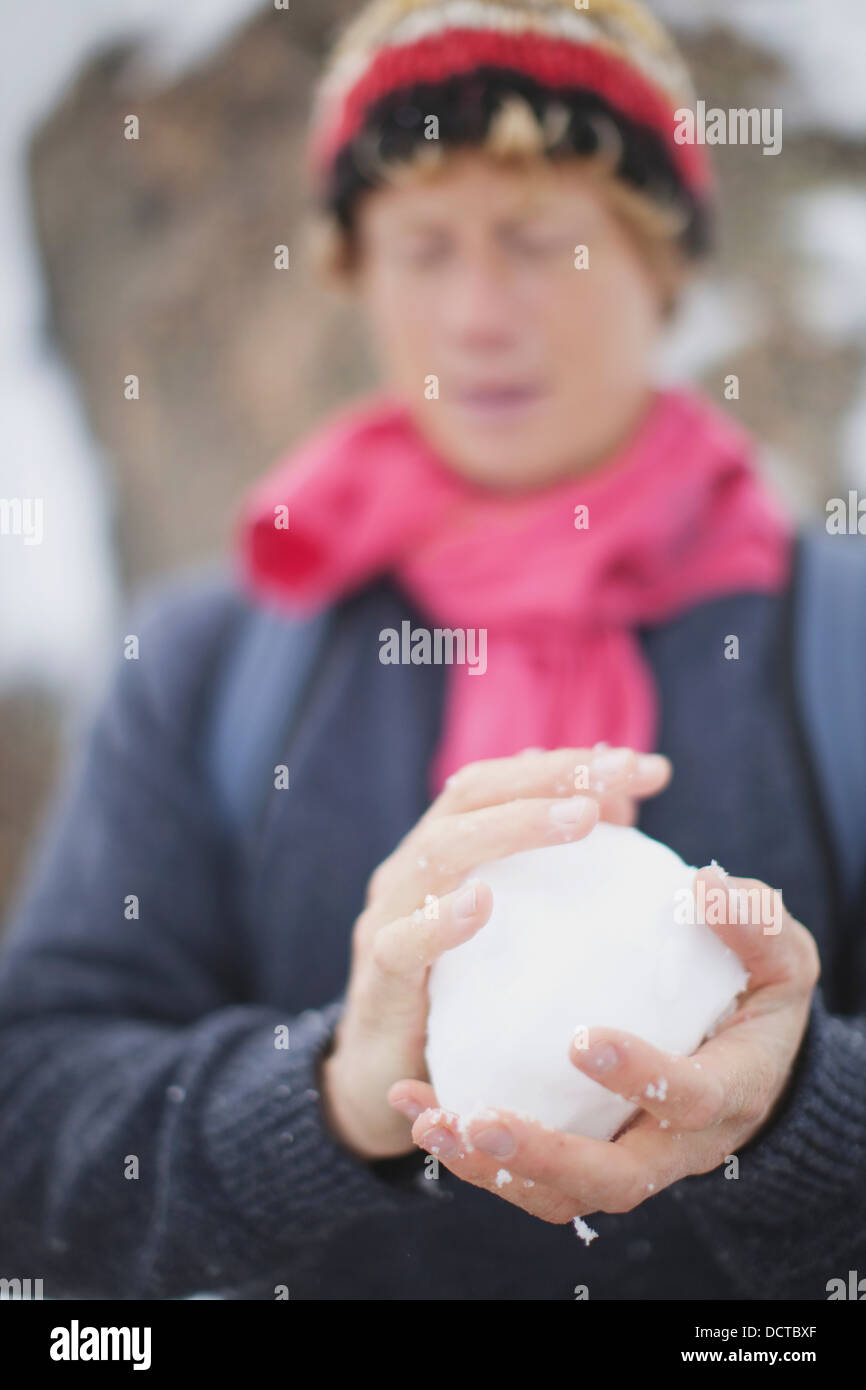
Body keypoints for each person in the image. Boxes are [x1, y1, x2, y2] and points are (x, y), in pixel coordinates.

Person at [0, 0, 862, 1302]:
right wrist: (325, 1093)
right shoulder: (208, 663)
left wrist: (802, 1114)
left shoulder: (840, 644)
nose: (477, 312)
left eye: (540, 241)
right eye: (418, 247)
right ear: (356, 274)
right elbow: (31, 1117)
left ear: (659, 270)